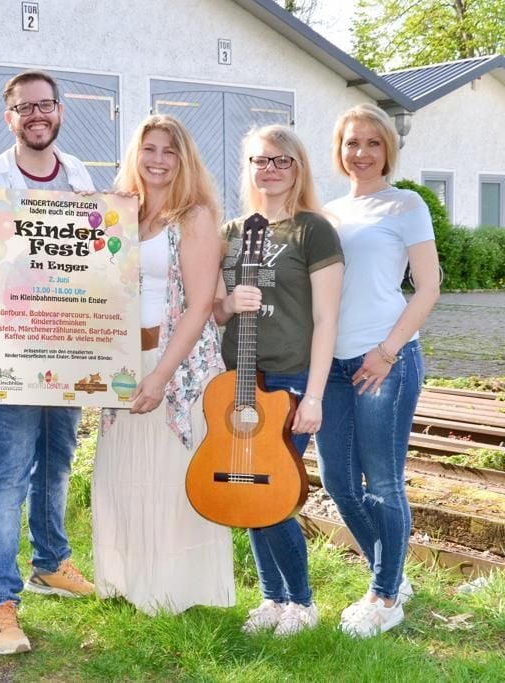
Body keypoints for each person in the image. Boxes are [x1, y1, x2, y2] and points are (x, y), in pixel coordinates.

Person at [0, 70, 96, 656]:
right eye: (24, 107)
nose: (37, 115)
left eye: (46, 105)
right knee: (7, 474)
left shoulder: (83, 177)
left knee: (58, 461)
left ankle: (50, 562)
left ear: (60, 111)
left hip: (67, 350)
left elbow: (96, 267)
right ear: (8, 117)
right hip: (10, 349)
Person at [92, 115, 234, 616]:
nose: (157, 160)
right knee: (121, 473)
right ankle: (128, 581)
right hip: (124, 360)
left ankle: (178, 590)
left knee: (172, 478)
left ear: (184, 159)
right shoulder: (118, 214)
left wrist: (159, 376)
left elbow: (198, 308)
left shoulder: (193, 217)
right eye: (149, 149)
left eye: (169, 151)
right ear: (135, 155)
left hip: (177, 365)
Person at [213, 125, 343, 636]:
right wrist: (227, 303)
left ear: (298, 167)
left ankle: (302, 604)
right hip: (239, 380)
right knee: (246, 487)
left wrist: (314, 394)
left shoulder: (314, 230)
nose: (269, 170)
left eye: (280, 161)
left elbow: (327, 319)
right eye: (259, 161)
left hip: (290, 380)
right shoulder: (232, 232)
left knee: (274, 492)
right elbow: (216, 313)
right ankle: (272, 599)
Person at [317, 103, 439, 638]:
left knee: (383, 481)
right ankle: (391, 572)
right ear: (339, 151)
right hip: (333, 364)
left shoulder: (404, 204)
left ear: (387, 147)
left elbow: (429, 287)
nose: (361, 153)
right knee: (339, 480)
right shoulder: (326, 213)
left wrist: (387, 352)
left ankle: (386, 596)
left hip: (384, 360)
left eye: (371, 142)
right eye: (351, 143)